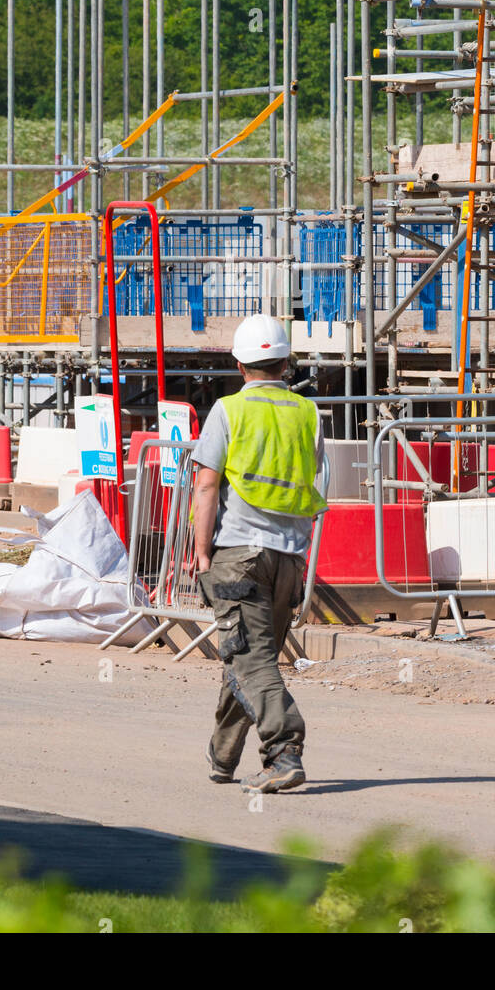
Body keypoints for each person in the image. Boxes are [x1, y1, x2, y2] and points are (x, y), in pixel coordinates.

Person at [191, 314, 326, 793]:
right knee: (249, 655)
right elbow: (316, 480)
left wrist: (201, 552)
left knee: (252, 659)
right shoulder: (307, 414)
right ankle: (223, 755)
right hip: (289, 558)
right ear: (286, 362)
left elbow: (206, 486)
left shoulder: (228, 411)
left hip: (239, 555)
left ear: (238, 363)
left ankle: (285, 751)